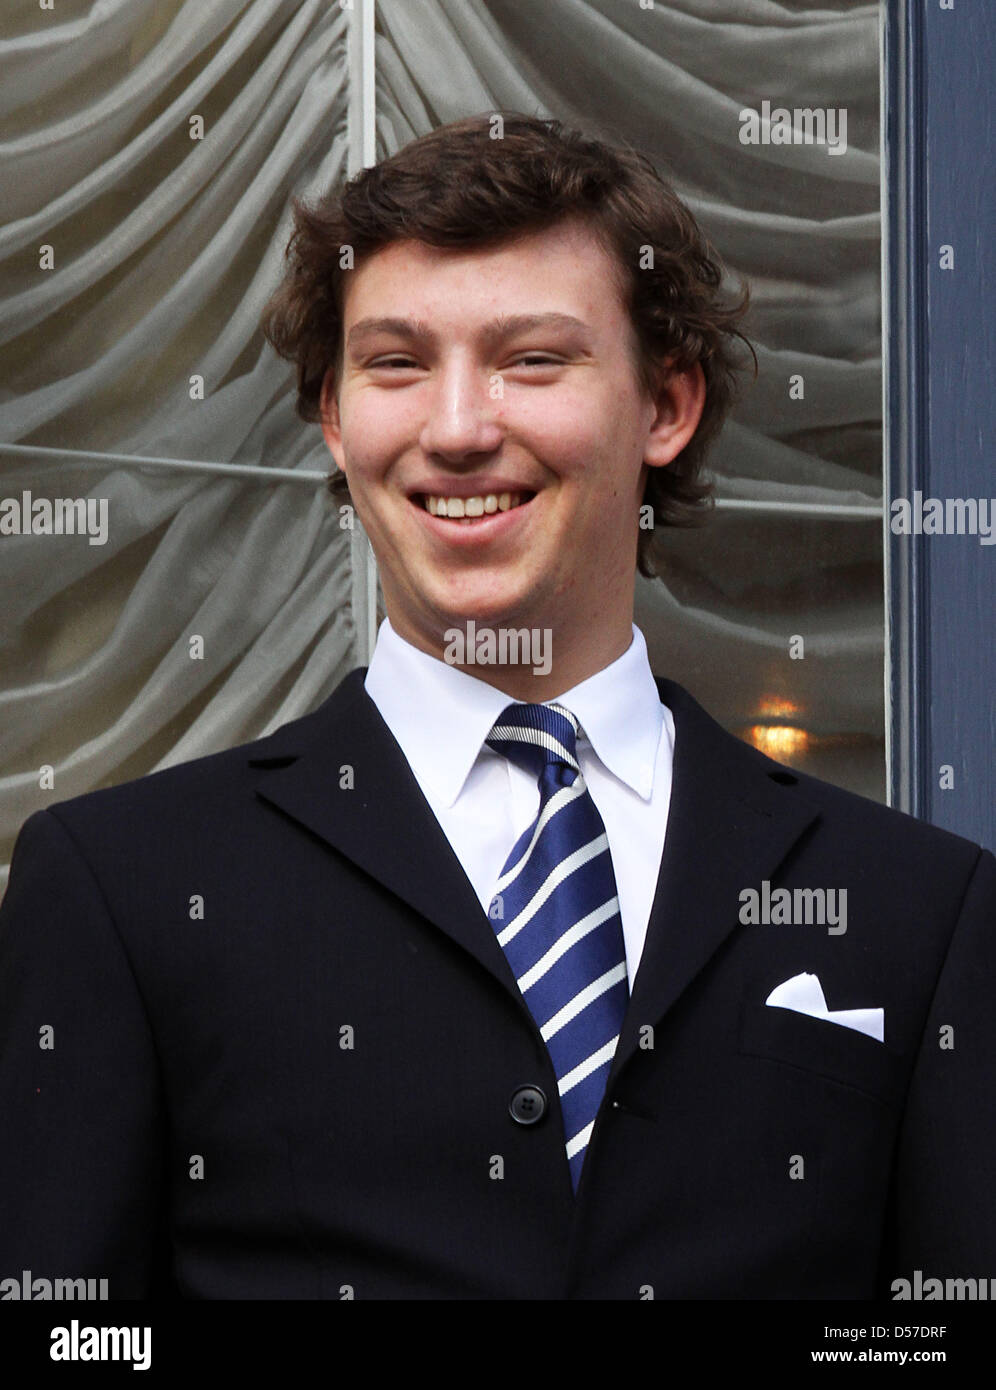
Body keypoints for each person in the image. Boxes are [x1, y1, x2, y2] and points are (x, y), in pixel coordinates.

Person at [1, 113, 993, 1301]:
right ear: (334, 415)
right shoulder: (123, 886)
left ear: (667, 407)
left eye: (532, 359)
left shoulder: (919, 912)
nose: (459, 429)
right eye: (396, 364)